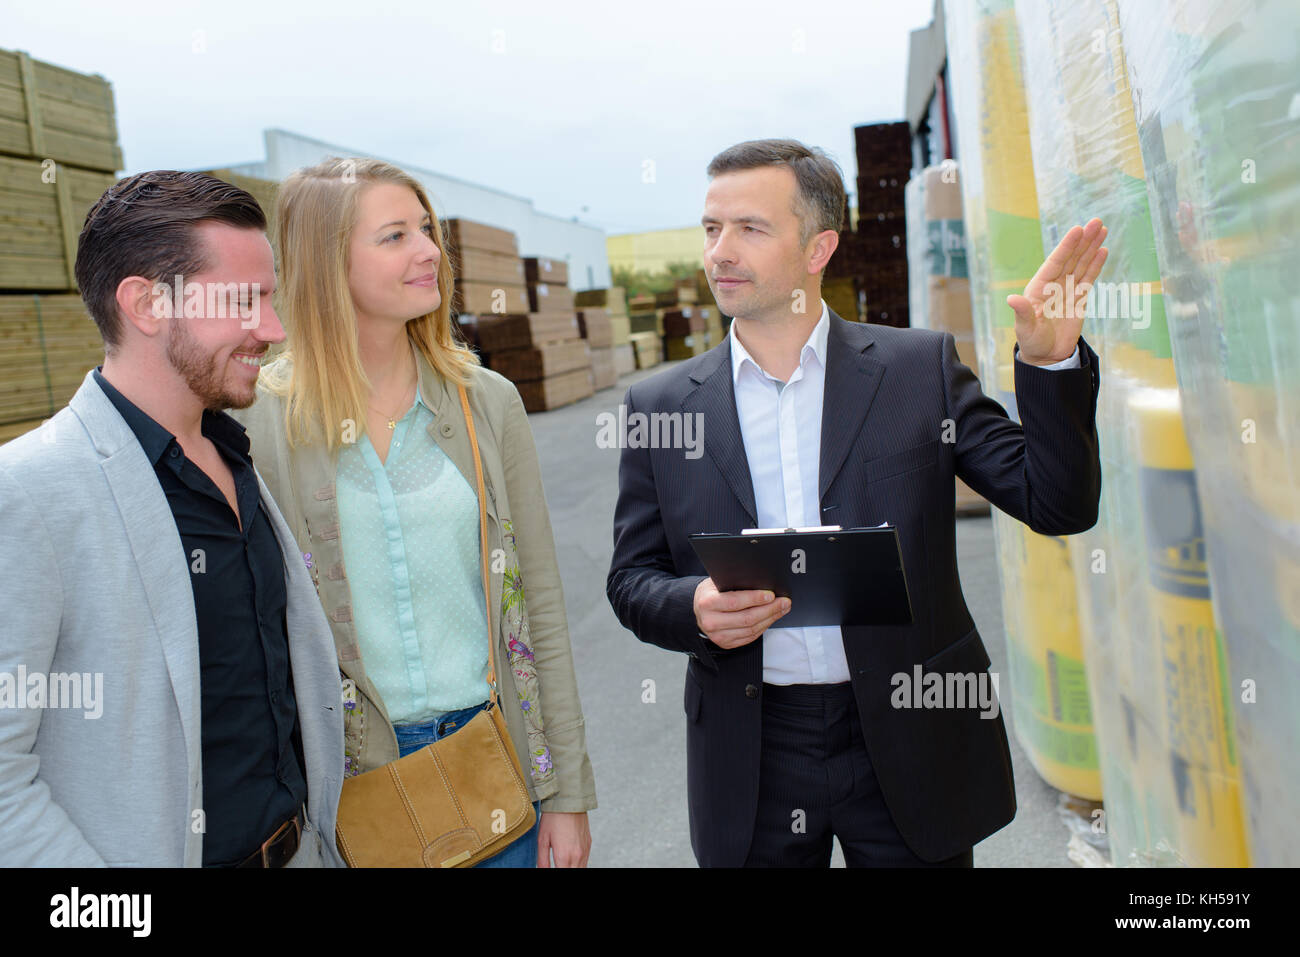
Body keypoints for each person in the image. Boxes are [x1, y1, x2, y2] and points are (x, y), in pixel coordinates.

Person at [607, 139, 1106, 867]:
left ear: (820, 247)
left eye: (751, 227)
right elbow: (630, 579)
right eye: (711, 228)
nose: (720, 252)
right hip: (753, 749)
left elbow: (1058, 502)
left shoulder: (918, 371)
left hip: (907, 731)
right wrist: (695, 607)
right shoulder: (658, 406)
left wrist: (1048, 361)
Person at [231, 157, 596, 868]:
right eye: (394, 235)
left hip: (496, 766)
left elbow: (540, 609)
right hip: (353, 787)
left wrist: (567, 793)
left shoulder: (486, 401)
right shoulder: (258, 423)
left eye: (427, 230)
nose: (429, 250)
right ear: (325, 259)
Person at [0, 171, 346, 867]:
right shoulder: (31, 492)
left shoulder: (237, 456)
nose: (273, 331)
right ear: (146, 303)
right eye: (245, 301)